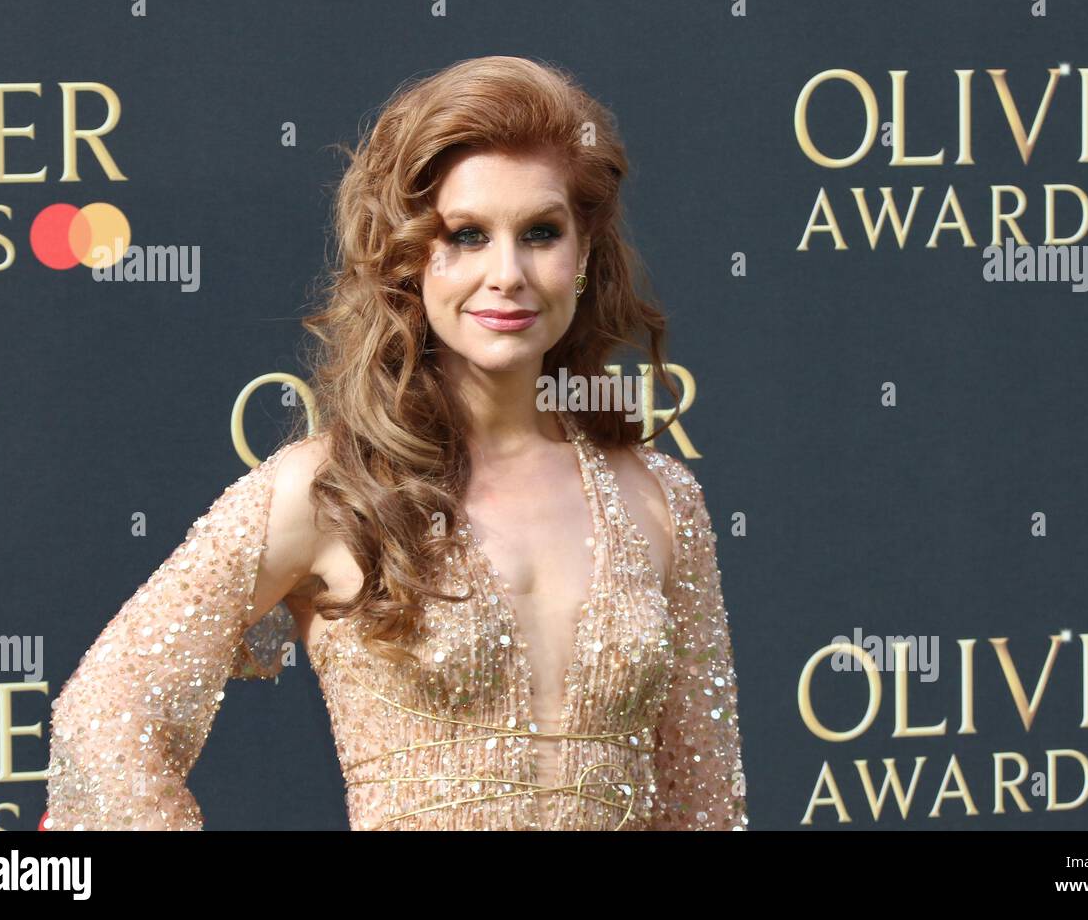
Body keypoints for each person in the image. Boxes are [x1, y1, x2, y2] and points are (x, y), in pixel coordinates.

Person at [43, 55, 748, 831]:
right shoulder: (330, 492)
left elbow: (705, 801)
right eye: (467, 236)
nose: (506, 273)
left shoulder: (662, 497)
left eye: (540, 233)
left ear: (583, 257)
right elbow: (103, 717)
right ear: (411, 260)